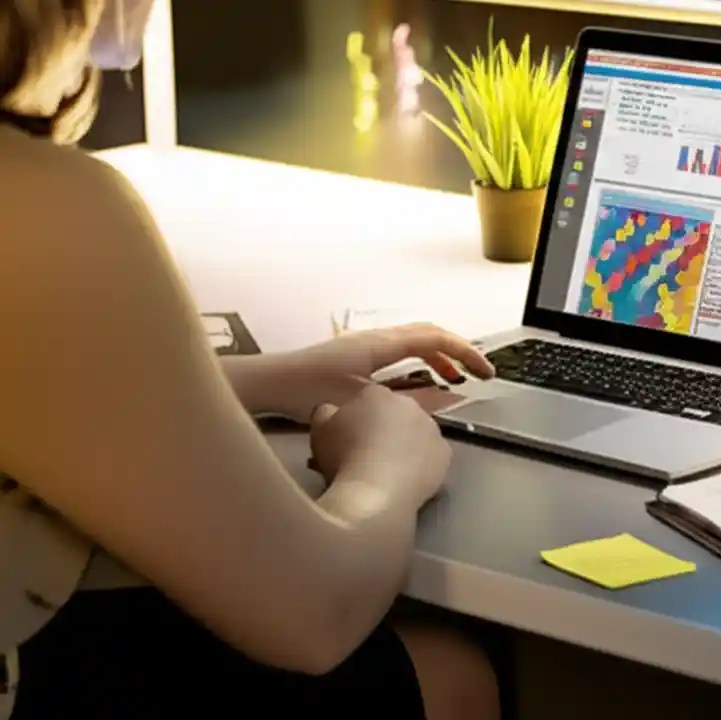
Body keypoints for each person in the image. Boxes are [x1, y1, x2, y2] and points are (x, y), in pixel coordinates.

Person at [0, 1, 501, 717]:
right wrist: (389, 467)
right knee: (449, 668)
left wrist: (271, 377)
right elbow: (314, 613)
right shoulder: (45, 207)